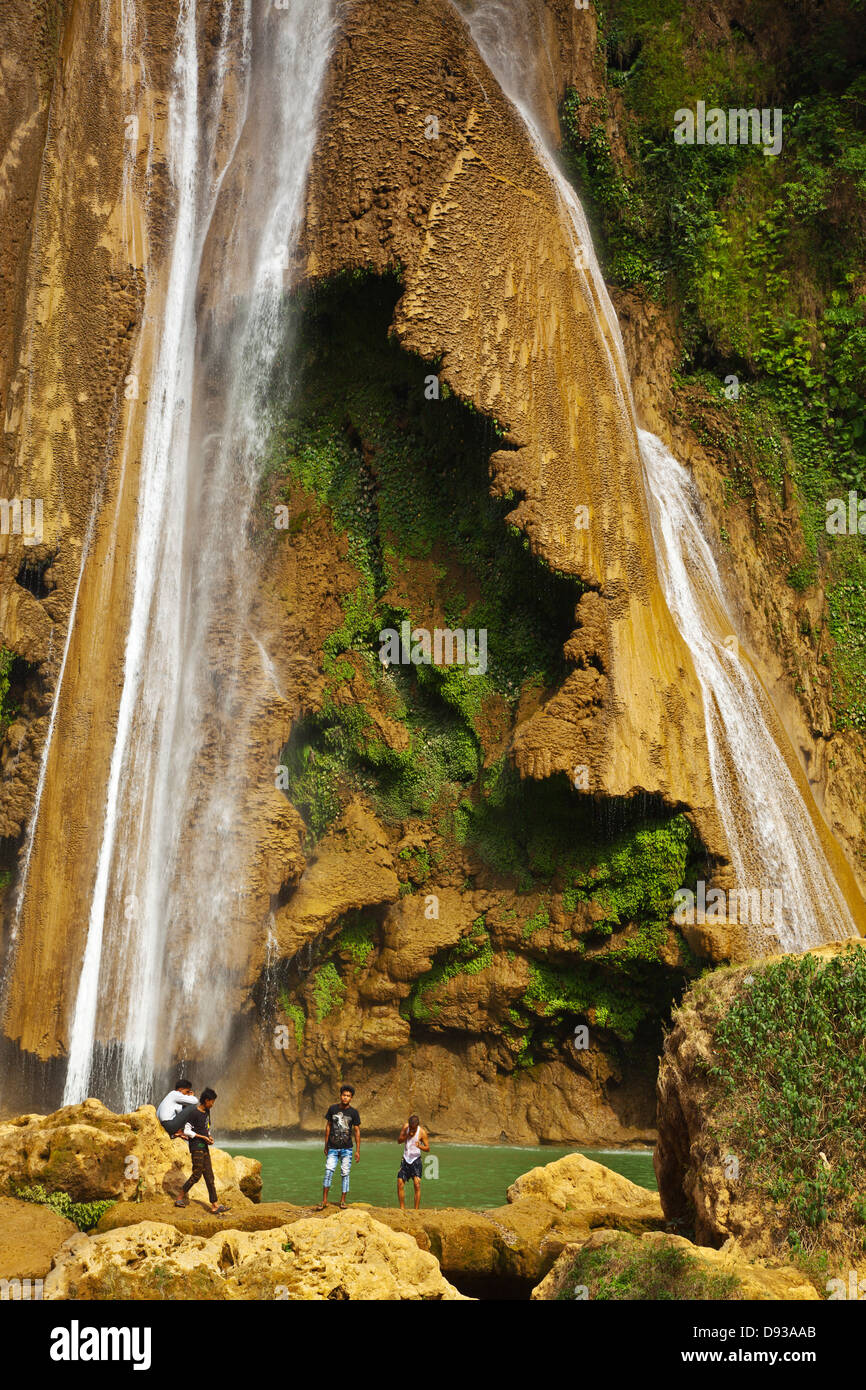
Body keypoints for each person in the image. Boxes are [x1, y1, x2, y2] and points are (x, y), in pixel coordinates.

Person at [174, 1087, 228, 1214]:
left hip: (204, 1147)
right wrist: (202, 1137)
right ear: (206, 1100)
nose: (213, 1104)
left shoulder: (207, 1113)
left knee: (209, 1176)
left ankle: (215, 1205)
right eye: (212, 1102)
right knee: (197, 1174)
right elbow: (186, 1131)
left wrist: (209, 1137)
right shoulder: (194, 1113)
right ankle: (179, 1198)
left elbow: (206, 1128)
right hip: (196, 1146)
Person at [315, 1085, 361, 1210]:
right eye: (344, 1095)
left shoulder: (353, 1112)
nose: (345, 1098)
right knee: (328, 1171)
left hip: (347, 1148)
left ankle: (343, 1201)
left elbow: (357, 1131)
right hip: (333, 1147)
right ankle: (324, 1201)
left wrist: (357, 1150)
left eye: (348, 1096)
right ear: (340, 1096)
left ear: (351, 1098)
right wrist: (326, 1145)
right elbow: (328, 1126)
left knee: (345, 1173)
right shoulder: (332, 1109)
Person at [397, 1114, 429, 1211]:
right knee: (400, 1183)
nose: (412, 1130)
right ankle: (402, 1209)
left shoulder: (422, 1132)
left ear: (417, 1126)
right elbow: (399, 1141)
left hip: (416, 1160)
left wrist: (420, 1146)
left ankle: (416, 1210)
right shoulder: (406, 1127)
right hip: (406, 1159)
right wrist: (407, 1135)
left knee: (417, 1184)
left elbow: (427, 1148)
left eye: (413, 1128)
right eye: (410, 1127)